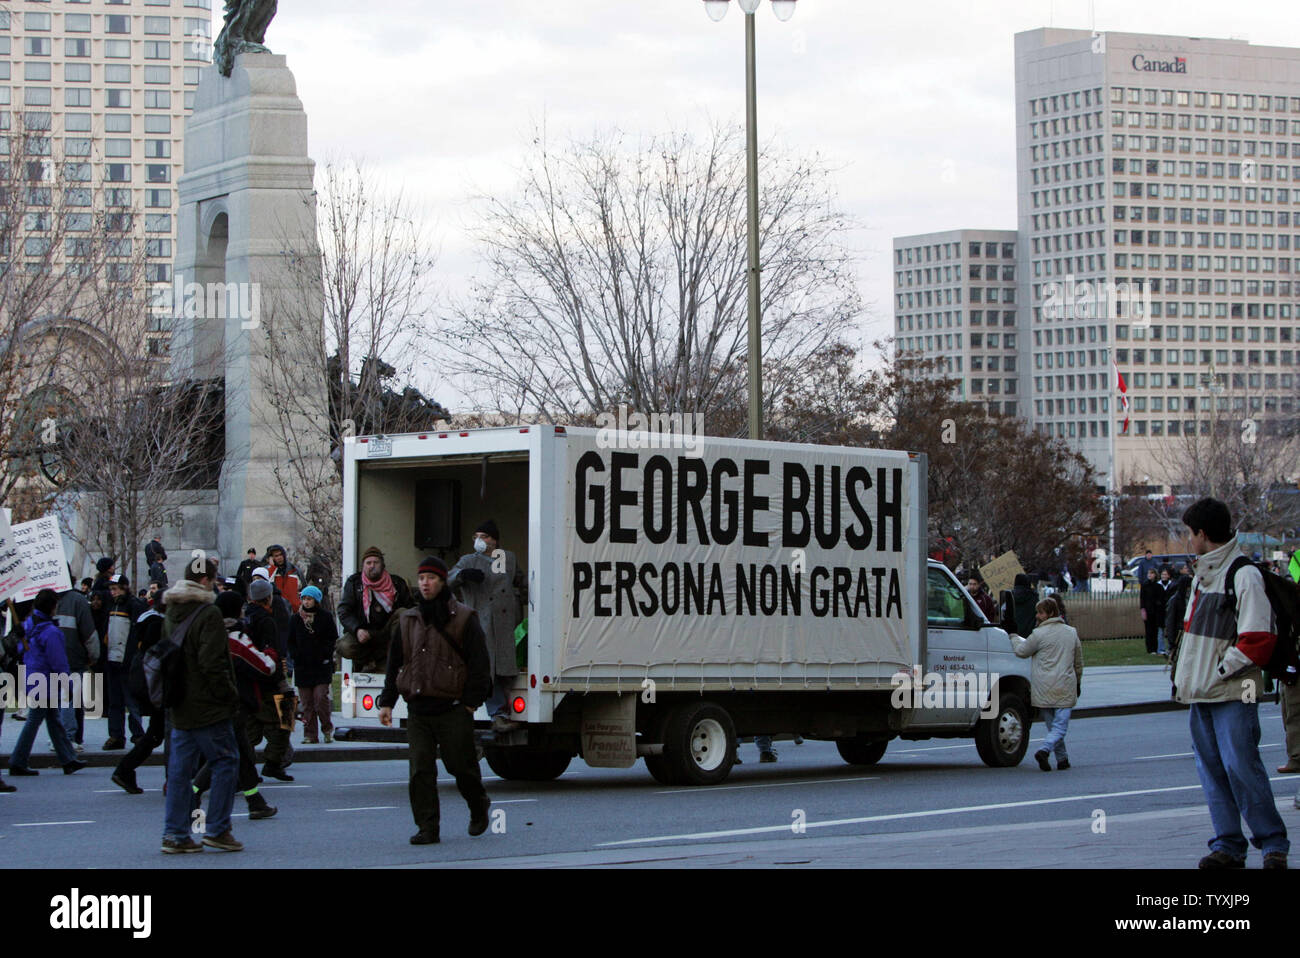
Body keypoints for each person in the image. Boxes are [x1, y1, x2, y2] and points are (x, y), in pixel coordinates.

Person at [1174, 497, 1288, 869]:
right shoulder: (1203, 576)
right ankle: (1228, 844)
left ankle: (1272, 844)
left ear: (1202, 534)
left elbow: (1258, 638)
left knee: (1241, 766)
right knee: (1214, 771)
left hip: (1233, 690)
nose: (1188, 540)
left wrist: (1219, 672)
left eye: (1189, 533)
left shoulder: (1243, 574)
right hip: (1203, 692)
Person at [378, 556, 491, 845]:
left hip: (452, 708)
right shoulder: (408, 619)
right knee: (420, 771)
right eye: (422, 578)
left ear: (442, 582)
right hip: (418, 708)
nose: (425, 584)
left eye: (431, 578)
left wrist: (469, 703)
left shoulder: (464, 618)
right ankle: (428, 827)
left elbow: (479, 665)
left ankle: (478, 805)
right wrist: (387, 701)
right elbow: (394, 663)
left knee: (460, 766)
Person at [160, 558, 244, 854]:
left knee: (180, 771)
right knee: (226, 762)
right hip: (208, 706)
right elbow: (213, 664)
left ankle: (175, 834)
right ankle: (218, 829)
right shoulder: (209, 613)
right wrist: (230, 696)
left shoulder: (171, 610)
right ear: (207, 581)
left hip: (179, 704)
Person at [190, 591, 278, 820]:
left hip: (209, 702)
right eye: (241, 608)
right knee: (226, 754)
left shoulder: (206, 632)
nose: (244, 612)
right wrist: (270, 653)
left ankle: (254, 800)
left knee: (243, 753)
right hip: (234, 703)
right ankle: (194, 796)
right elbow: (264, 666)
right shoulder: (235, 637)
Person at [448, 520, 524, 731]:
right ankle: (494, 713)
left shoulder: (506, 558)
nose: (480, 541)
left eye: (485, 536)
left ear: (495, 539)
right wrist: (462, 576)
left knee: (503, 670)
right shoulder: (468, 560)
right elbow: (447, 580)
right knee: (485, 668)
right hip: (479, 622)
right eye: (476, 537)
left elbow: (520, 582)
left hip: (504, 624)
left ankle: (500, 712)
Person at [8, 590, 88, 776]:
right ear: (52, 607)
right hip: (47, 680)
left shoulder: (28, 625)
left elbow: (21, 649)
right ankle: (18, 760)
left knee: (53, 720)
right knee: (36, 721)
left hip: (33, 677)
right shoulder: (51, 632)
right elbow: (59, 663)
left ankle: (68, 759)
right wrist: (67, 684)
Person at [1013, 598, 1083, 772]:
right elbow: (1078, 662)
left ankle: (1062, 759)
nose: (1037, 616)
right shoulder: (1071, 632)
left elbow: (1022, 651)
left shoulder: (1038, 634)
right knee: (1060, 727)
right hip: (1065, 685)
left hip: (1043, 686)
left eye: (1040, 612)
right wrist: (1078, 682)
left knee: (1053, 726)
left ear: (1050, 613)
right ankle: (1045, 750)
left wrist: (1013, 636)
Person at [112, 595, 169, 794]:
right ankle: (172, 780)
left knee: (156, 734)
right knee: (164, 733)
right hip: (158, 687)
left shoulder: (146, 620)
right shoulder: (159, 625)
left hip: (146, 684)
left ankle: (125, 770)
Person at [244, 577, 295, 781]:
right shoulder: (266, 620)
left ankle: (246, 767)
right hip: (269, 679)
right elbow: (271, 654)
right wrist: (280, 681)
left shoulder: (246, 617)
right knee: (285, 719)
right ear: (268, 598)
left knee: (251, 727)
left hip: (249, 681)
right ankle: (273, 763)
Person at [336, 546, 411, 673]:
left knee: (403, 614)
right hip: (363, 634)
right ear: (363, 566)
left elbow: (411, 609)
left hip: (387, 635)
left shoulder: (397, 583)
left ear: (382, 565)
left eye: (376, 562)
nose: (372, 566)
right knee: (343, 646)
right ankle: (370, 662)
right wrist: (357, 629)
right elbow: (344, 611)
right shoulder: (354, 583)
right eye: (368, 563)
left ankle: (390, 660)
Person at [55, 578, 99, 754]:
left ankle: (64, 737)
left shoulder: (43, 599)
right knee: (70, 699)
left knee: (61, 701)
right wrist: (94, 656)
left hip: (52, 660)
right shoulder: (78, 600)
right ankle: (69, 737)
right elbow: (89, 633)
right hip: (73, 659)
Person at [289, 585, 337, 744]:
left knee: (320, 698)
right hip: (303, 666)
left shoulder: (325, 617)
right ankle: (310, 734)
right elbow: (290, 641)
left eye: (309, 599)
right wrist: (296, 655)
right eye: (303, 598)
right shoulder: (296, 618)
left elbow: (332, 639)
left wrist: (325, 654)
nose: (306, 602)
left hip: (321, 666)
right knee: (306, 702)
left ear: (316, 600)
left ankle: (327, 728)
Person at [103, 575, 147, 750]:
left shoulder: (133, 605)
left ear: (124, 588)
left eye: (115, 589)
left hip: (127, 660)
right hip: (112, 658)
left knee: (132, 701)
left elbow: (136, 635)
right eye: (111, 589)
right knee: (115, 701)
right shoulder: (112, 605)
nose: (112, 592)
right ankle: (116, 735)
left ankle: (137, 734)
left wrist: (132, 657)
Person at [264, 544, 302, 614]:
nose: (279, 558)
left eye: (280, 555)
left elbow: (303, 590)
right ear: (271, 558)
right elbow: (267, 586)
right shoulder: (268, 571)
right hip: (277, 612)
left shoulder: (295, 570)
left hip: (295, 611)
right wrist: (272, 568)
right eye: (276, 556)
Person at [1139, 568, 1167, 656]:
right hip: (1148, 610)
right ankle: (1150, 648)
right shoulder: (1145, 585)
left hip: (1156, 611)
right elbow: (1142, 599)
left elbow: (1162, 599)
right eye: (1148, 573)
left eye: (1151, 573)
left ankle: (1155, 648)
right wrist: (1143, 609)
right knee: (1149, 630)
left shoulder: (1158, 586)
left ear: (1155, 574)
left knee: (1155, 630)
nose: (1149, 575)